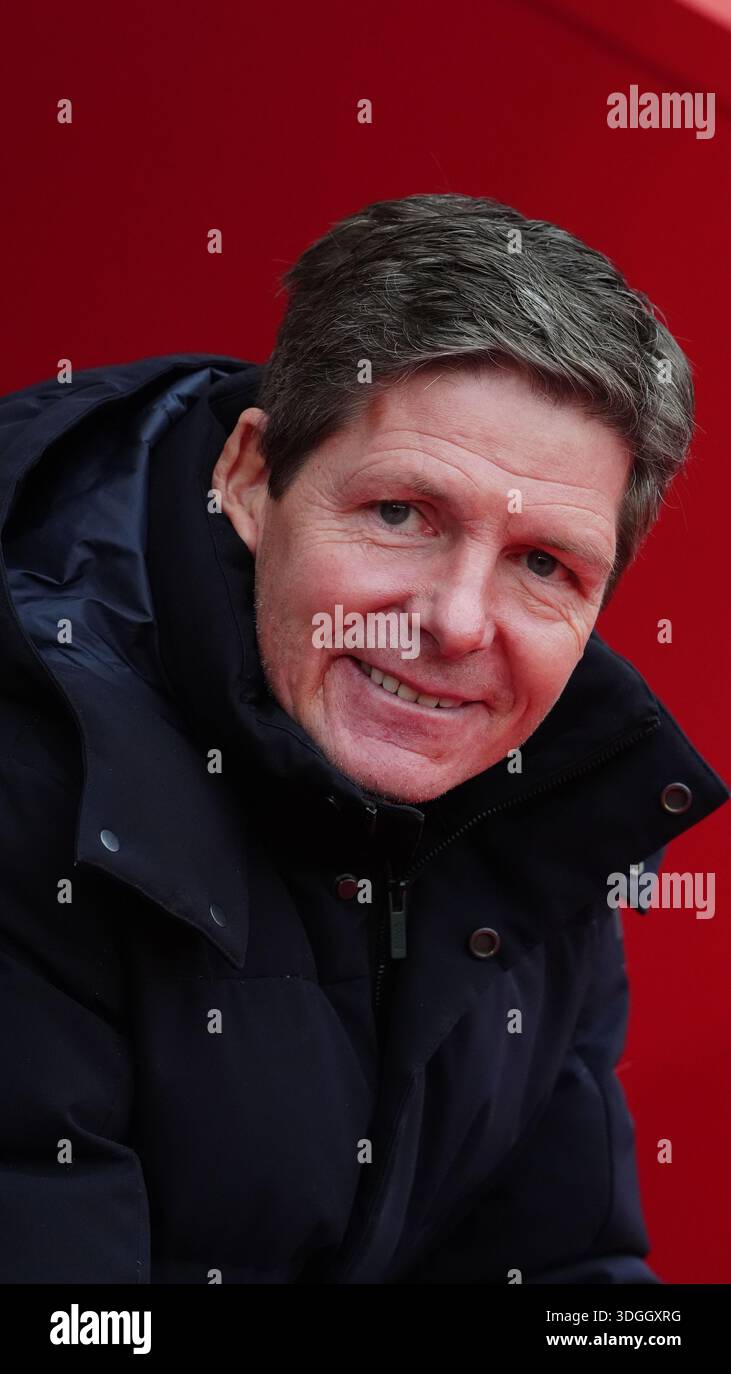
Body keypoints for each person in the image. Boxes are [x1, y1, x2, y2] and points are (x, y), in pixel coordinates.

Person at [0, 193, 727, 1285]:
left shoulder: (549, 803)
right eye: (401, 512)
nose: (456, 622)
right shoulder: (33, 772)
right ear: (249, 481)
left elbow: (565, 1275)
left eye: (544, 564)